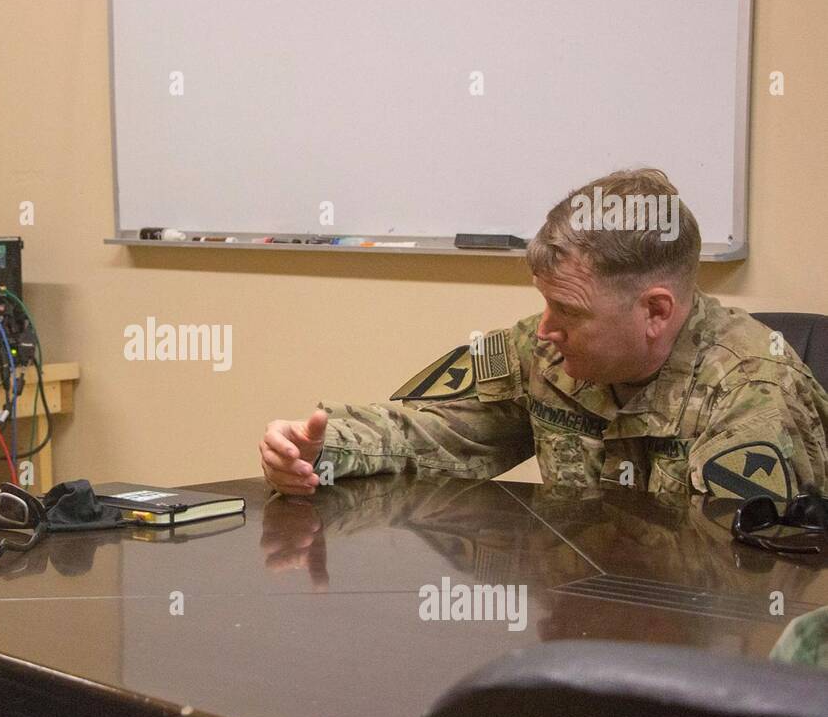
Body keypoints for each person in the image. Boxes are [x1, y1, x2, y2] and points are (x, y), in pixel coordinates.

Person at [260, 168, 828, 501]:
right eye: (545, 304)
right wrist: (320, 450)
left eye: (570, 312)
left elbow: (752, 584)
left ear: (655, 311)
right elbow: (426, 433)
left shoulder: (754, 392)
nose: (547, 329)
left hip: (696, 669)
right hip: (574, 627)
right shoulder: (540, 350)